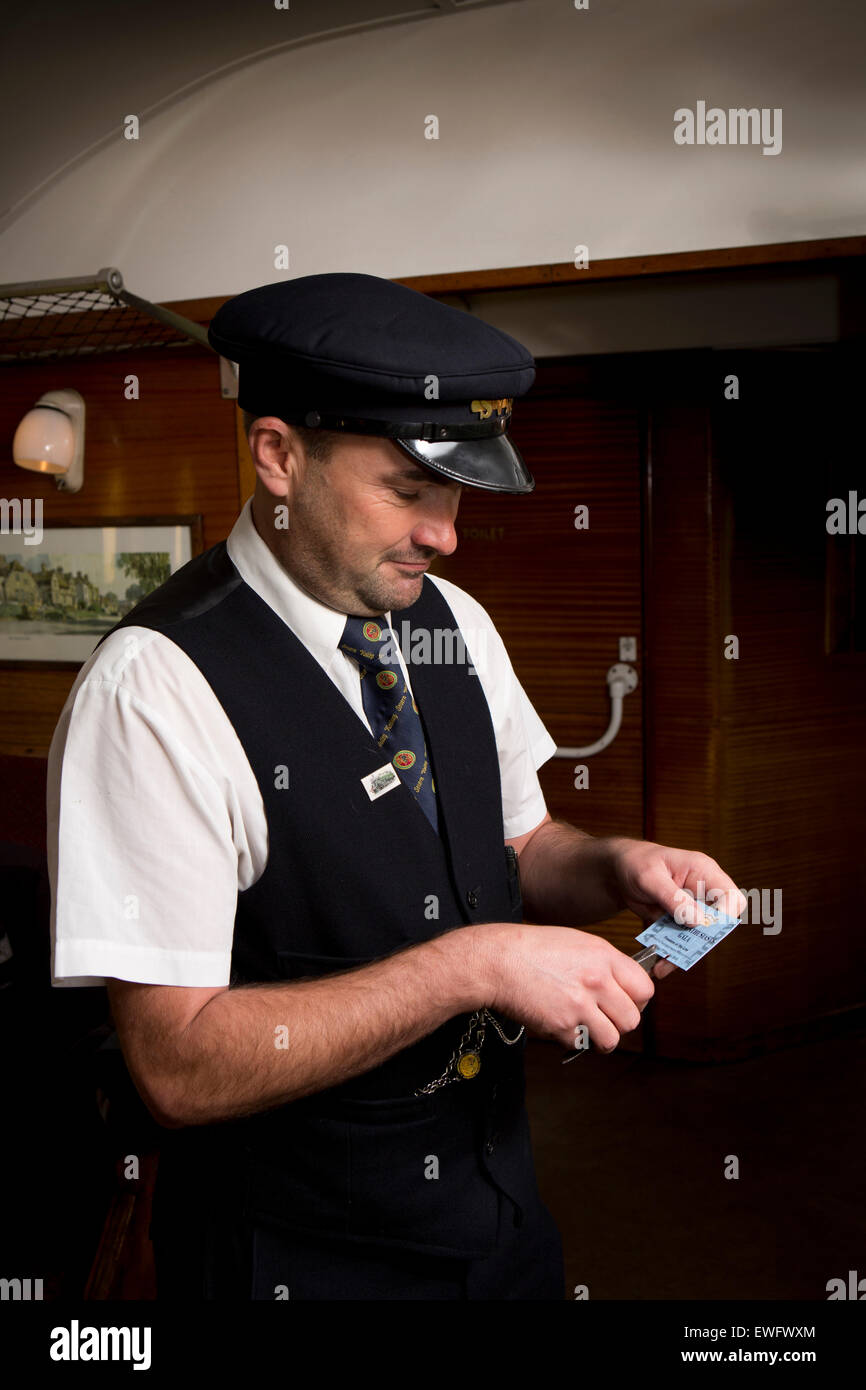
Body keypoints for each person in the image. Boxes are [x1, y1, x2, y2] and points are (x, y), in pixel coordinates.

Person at [47, 272, 744, 1301]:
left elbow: (515, 844)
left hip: (498, 1221)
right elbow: (176, 1067)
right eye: (408, 489)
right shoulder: (154, 688)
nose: (444, 533)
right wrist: (465, 966)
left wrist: (614, 864)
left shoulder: (454, 621)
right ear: (278, 455)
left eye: (454, 493)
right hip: (296, 1261)